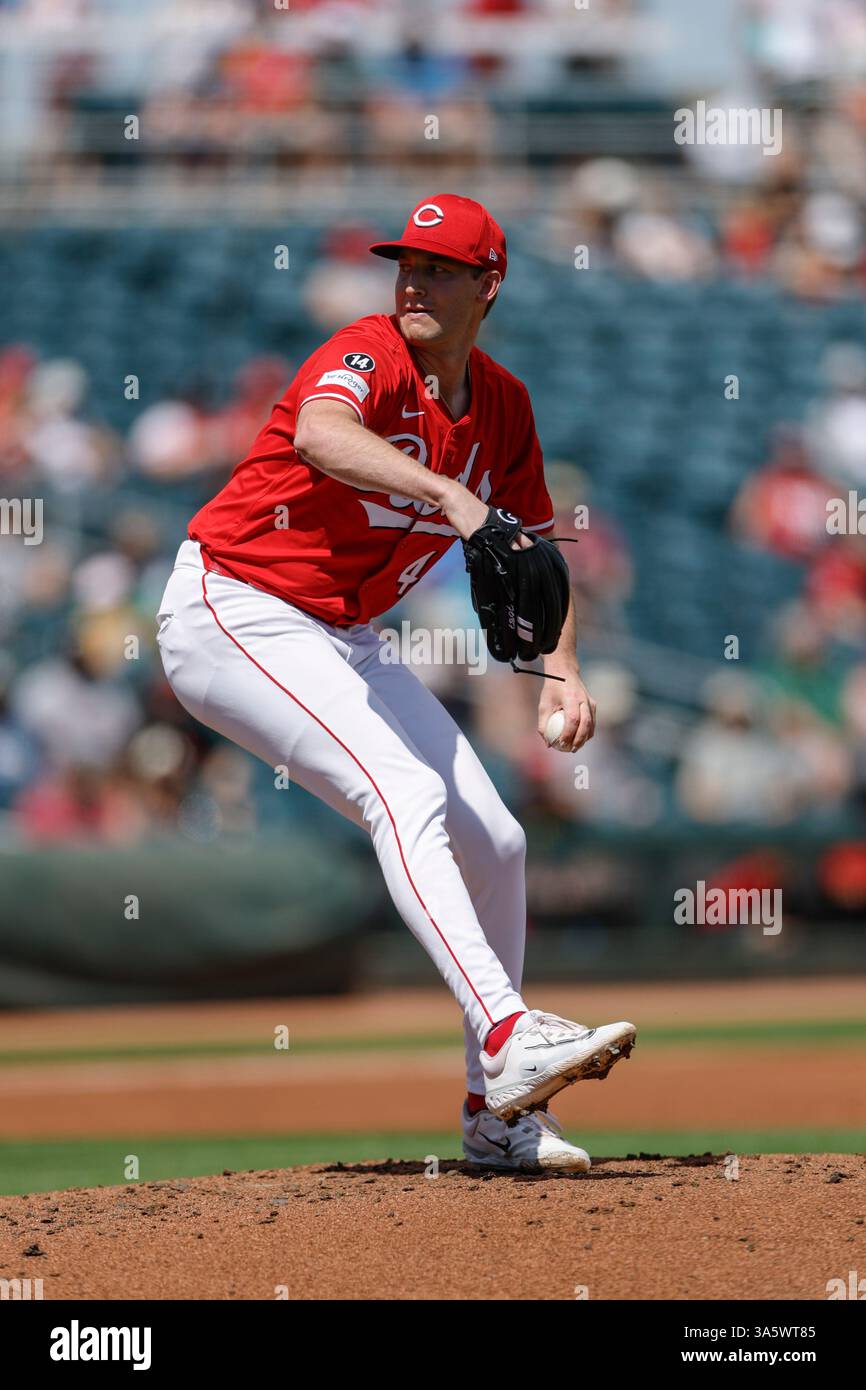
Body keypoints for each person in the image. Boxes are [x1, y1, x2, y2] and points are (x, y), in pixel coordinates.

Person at [156, 194, 636, 1172]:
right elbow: (320, 434)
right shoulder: (368, 352)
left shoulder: (501, 405)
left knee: (495, 839)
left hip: (341, 634)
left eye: (439, 269)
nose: (412, 282)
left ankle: (496, 1118)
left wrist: (563, 669)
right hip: (233, 605)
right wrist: (454, 494)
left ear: (486, 286)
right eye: (405, 264)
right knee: (403, 792)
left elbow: (536, 547)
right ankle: (507, 1035)